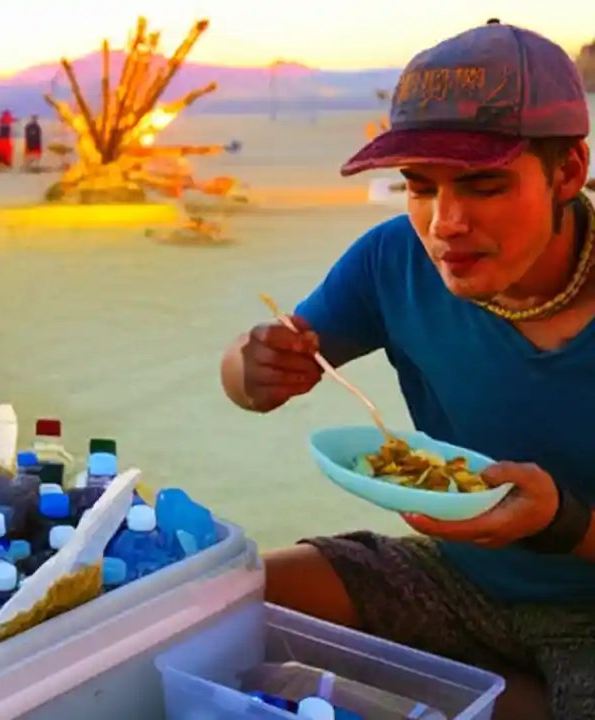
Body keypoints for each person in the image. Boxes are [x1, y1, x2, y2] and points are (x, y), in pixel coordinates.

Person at [219, 19, 594, 719]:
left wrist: (563, 524)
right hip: (456, 576)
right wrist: (253, 365)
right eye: (420, 186)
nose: (445, 223)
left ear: (567, 171)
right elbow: (247, 379)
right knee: (217, 604)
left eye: (484, 186)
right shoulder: (393, 259)